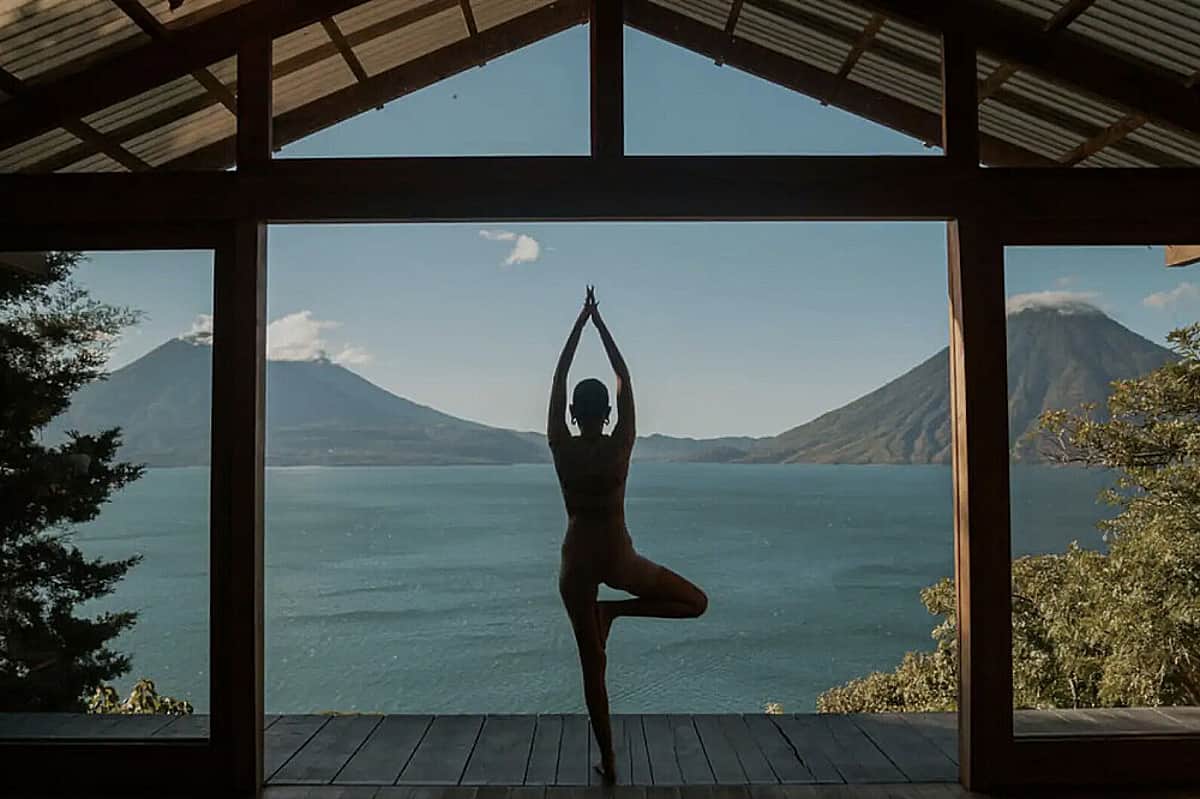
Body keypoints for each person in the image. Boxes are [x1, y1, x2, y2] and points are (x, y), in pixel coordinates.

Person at [548, 286, 708, 784]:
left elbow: (559, 377)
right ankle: (615, 611)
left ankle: (610, 761)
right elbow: (624, 377)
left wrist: (579, 325)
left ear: (573, 414)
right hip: (620, 557)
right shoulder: (621, 443)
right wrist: (600, 325)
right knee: (695, 602)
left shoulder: (560, 444)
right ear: (609, 414)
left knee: (592, 669)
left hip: (577, 562)